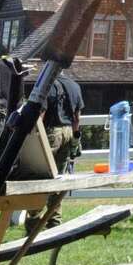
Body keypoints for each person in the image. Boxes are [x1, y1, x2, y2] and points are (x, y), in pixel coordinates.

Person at [25, 72, 83, 235]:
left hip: (51, 133)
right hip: (68, 132)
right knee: (59, 178)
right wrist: (75, 139)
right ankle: (54, 222)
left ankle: (34, 223)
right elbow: (77, 117)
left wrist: (33, 138)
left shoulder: (47, 85)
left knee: (39, 176)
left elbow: (40, 116)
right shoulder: (74, 86)